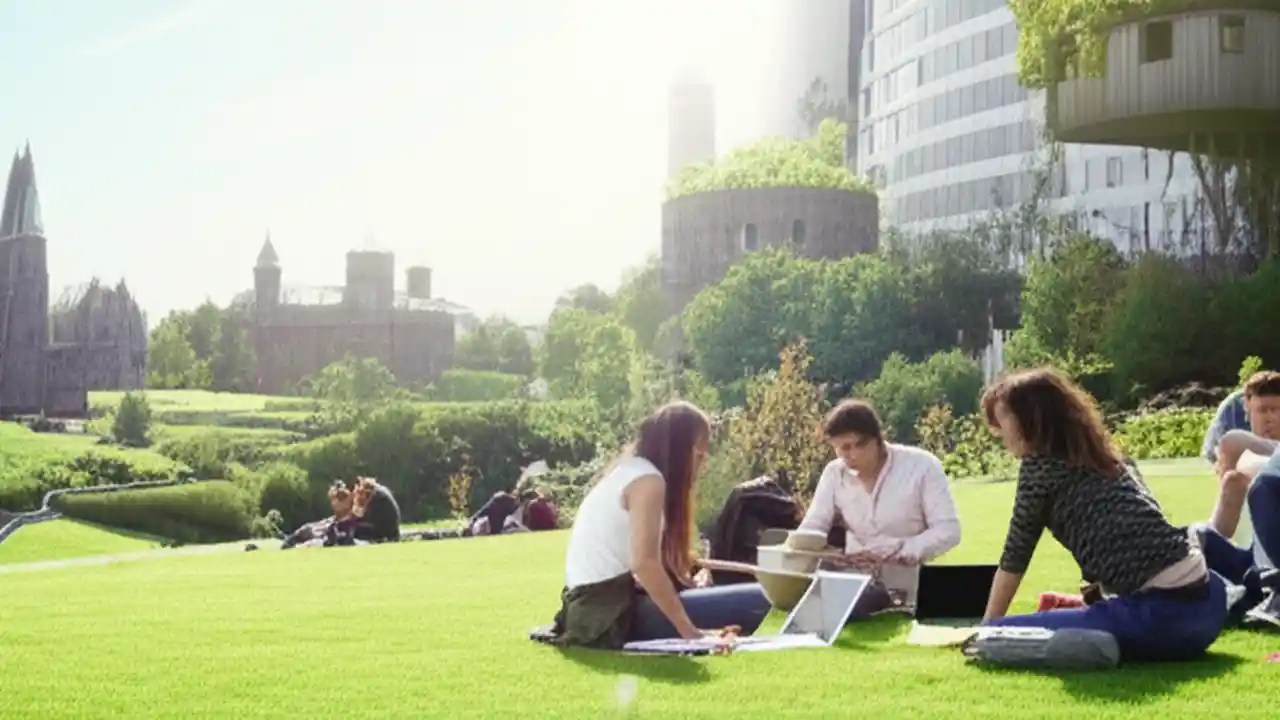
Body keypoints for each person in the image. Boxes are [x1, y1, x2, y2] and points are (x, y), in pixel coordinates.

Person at [980, 368, 1227, 662]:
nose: (1001, 433)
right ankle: (1096, 622)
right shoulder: (1110, 456)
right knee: (1096, 612)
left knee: (1000, 636)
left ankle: (1100, 638)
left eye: (1004, 419)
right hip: (1209, 605)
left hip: (1158, 619)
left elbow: (1015, 556)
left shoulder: (1039, 469)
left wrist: (988, 628)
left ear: (1030, 418)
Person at [545, 401, 772, 649]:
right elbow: (644, 564)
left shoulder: (629, 471)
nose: (701, 465)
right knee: (763, 599)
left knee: (747, 596)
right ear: (680, 450)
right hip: (609, 617)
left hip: (591, 611)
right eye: (699, 454)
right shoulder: (648, 482)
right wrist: (692, 634)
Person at [797, 399, 961, 610]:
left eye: (859, 445)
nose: (852, 455)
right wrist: (807, 550)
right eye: (843, 448)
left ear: (877, 438)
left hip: (911, 595)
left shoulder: (922, 466)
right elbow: (814, 526)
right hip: (856, 595)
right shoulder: (833, 473)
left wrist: (903, 548)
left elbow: (949, 530)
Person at [1195, 429, 1280, 626]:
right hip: (1256, 569)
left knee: (1264, 487)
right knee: (1198, 537)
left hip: (1268, 574)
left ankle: (1273, 596)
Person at [1205, 371, 1280, 539]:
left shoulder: (1237, 445)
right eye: (1262, 410)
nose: (1270, 419)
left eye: (1276, 410)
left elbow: (1233, 442)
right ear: (1248, 409)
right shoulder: (1241, 463)